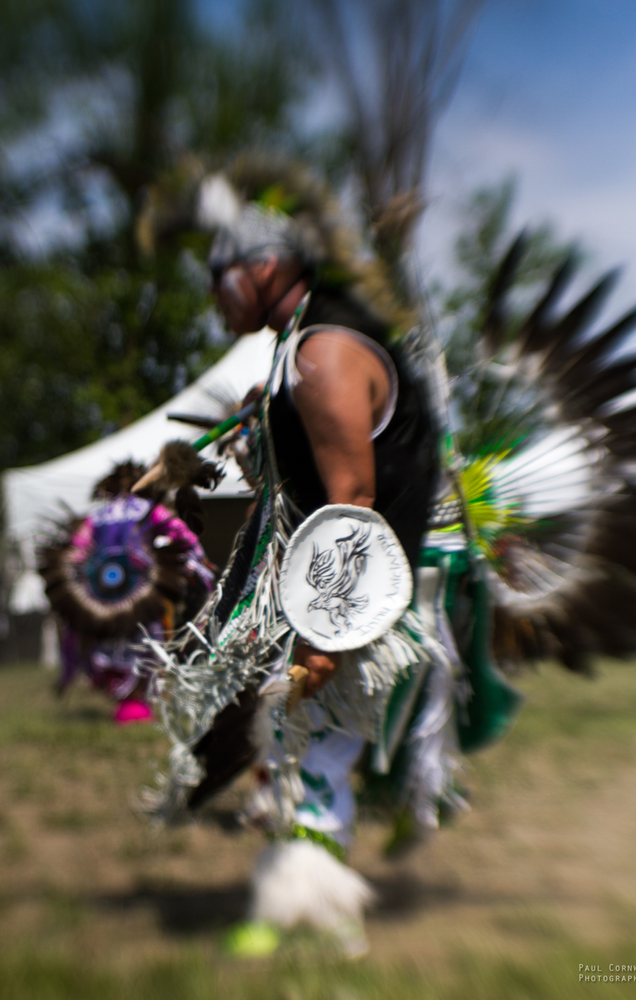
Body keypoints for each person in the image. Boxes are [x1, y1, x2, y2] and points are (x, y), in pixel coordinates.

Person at [140, 158, 459, 956]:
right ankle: (312, 891)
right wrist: (207, 450)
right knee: (298, 744)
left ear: (264, 269)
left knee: (314, 740)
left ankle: (318, 918)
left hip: (362, 586)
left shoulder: (322, 356)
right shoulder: (301, 350)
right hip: (342, 582)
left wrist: (323, 636)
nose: (214, 298)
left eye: (221, 279)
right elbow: (293, 450)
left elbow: (351, 499)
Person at [39, 461, 215, 723]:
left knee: (111, 641)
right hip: (143, 591)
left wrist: (78, 586)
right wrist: (199, 563)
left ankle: (126, 700)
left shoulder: (98, 515)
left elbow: (76, 551)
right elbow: (184, 537)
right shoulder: (149, 510)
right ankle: (137, 701)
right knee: (146, 642)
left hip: (104, 592)